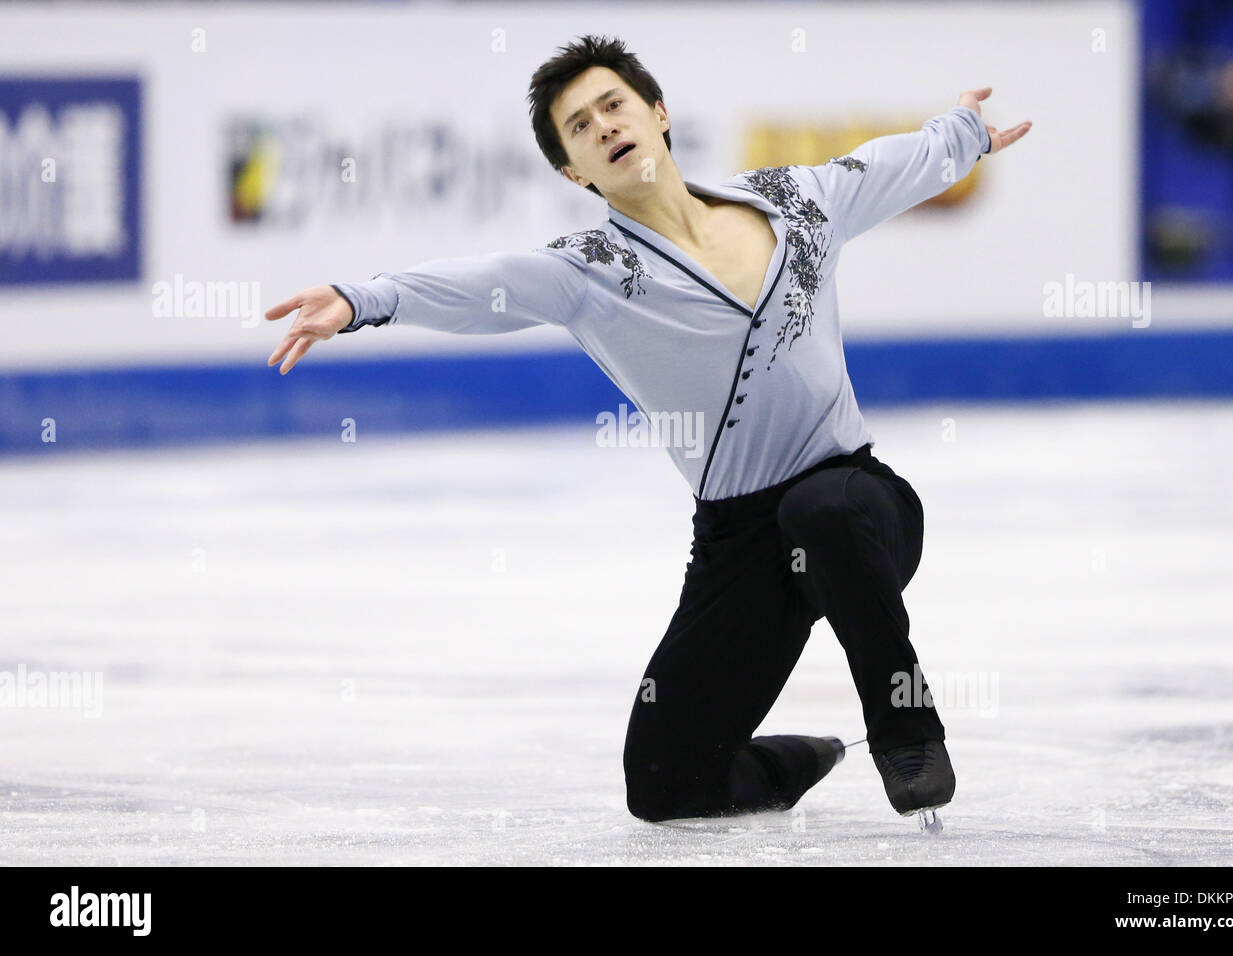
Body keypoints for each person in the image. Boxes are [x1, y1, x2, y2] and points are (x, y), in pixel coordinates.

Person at [264, 34, 1031, 828]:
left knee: (822, 511)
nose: (602, 125)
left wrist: (965, 133)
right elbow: (487, 283)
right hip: (742, 542)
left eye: (613, 105)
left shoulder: (794, 201)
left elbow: (884, 167)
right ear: (573, 171)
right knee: (664, 785)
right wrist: (363, 301)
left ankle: (906, 734)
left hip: (861, 505)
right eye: (579, 127)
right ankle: (807, 755)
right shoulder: (592, 270)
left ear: (658, 114)